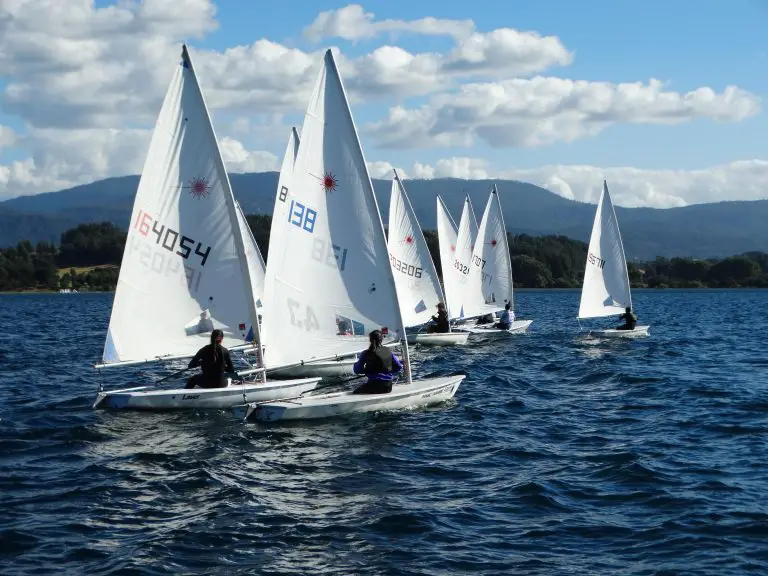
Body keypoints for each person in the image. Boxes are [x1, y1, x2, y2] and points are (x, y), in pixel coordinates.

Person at [351, 329, 403, 394]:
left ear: (370, 340)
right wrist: (388, 371)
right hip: (388, 387)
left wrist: (362, 369)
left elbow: (357, 370)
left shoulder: (365, 353)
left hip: (374, 385)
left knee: (355, 392)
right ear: (381, 340)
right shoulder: (388, 352)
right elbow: (399, 367)